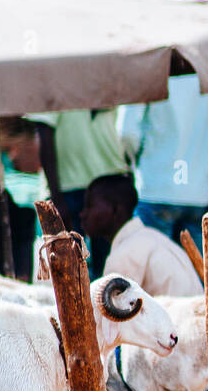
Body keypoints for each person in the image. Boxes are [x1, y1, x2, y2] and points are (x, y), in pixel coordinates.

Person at [115, 73, 208, 252]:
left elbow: (127, 131)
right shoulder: (203, 70)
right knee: (195, 276)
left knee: (152, 273)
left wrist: (138, 158)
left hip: (155, 188)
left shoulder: (148, 67)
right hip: (196, 194)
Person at [29, 109, 134, 276]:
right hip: (68, 190)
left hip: (108, 186)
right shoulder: (54, 85)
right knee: (70, 270)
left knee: (109, 270)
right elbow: (44, 133)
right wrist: (56, 197)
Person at [79, 174, 203, 297]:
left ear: (115, 210)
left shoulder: (124, 254)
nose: (83, 214)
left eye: (89, 206)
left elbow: (113, 311)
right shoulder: (152, 237)